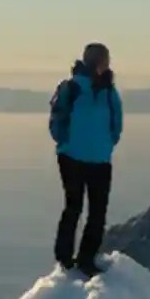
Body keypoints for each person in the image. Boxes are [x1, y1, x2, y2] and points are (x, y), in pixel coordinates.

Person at [48, 42, 123, 277]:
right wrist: (66, 144)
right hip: (75, 158)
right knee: (77, 207)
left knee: (94, 211)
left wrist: (105, 145)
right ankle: (69, 258)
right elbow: (57, 121)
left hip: (96, 158)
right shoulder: (72, 88)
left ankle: (83, 259)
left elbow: (116, 124)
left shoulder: (109, 92)